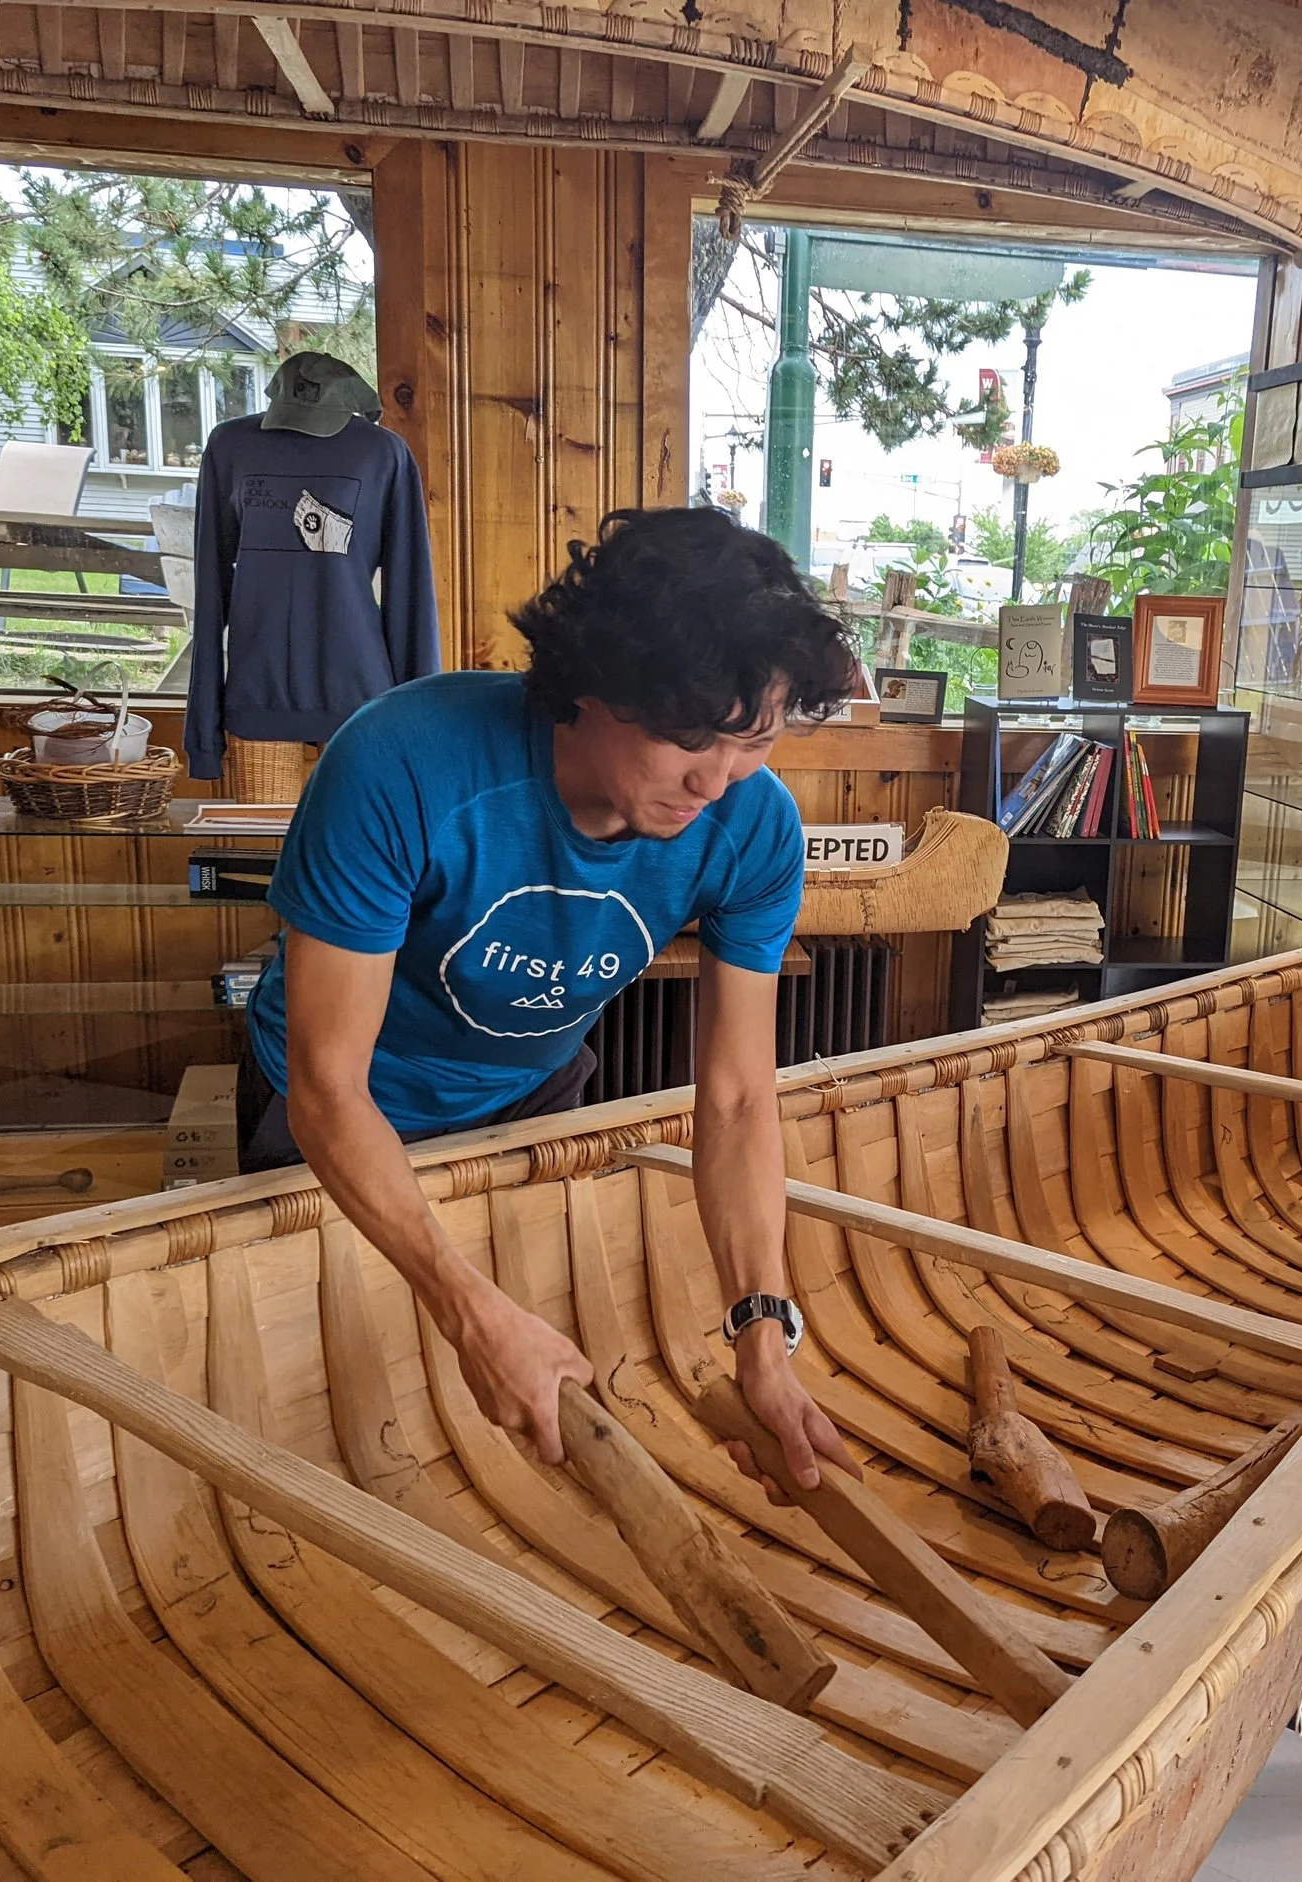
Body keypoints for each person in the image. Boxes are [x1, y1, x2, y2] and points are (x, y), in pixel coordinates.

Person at [242, 505, 863, 1494]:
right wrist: (464, 1307)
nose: (716, 778)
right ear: (590, 685)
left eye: (754, 741)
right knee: (329, 1390)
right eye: (687, 735)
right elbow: (329, 1087)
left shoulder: (752, 824)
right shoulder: (400, 761)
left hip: (531, 1094)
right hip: (334, 1108)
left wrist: (761, 1330)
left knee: (525, 1391)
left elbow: (740, 1099)